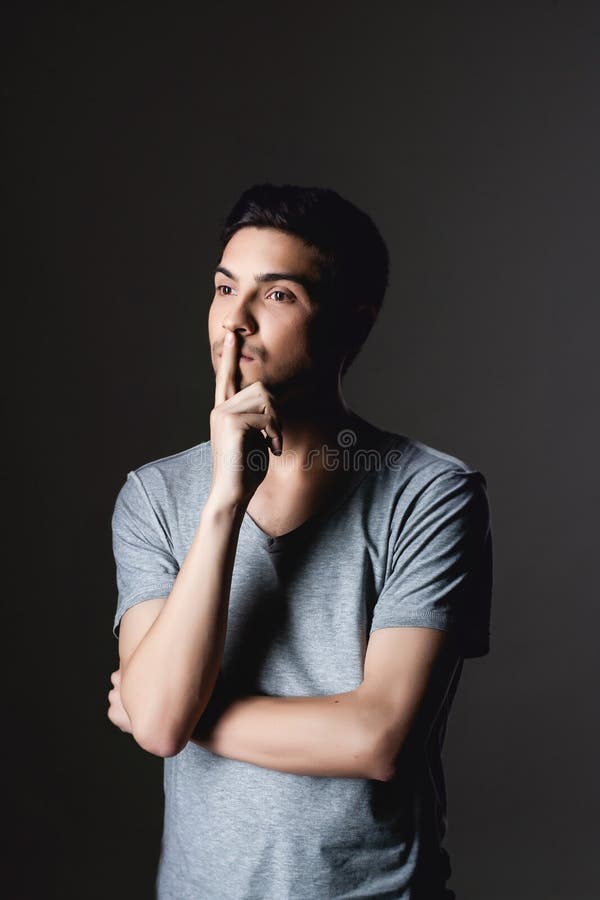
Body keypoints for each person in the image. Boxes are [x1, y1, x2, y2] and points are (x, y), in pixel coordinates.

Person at [107, 183, 493, 899]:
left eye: (277, 295)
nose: (236, 323)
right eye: (226, 289)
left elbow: (378, 739)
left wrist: (177, 712)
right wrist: (224, 501)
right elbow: (160, 721)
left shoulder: (430, 493)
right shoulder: (155, 495)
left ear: (352, 323)